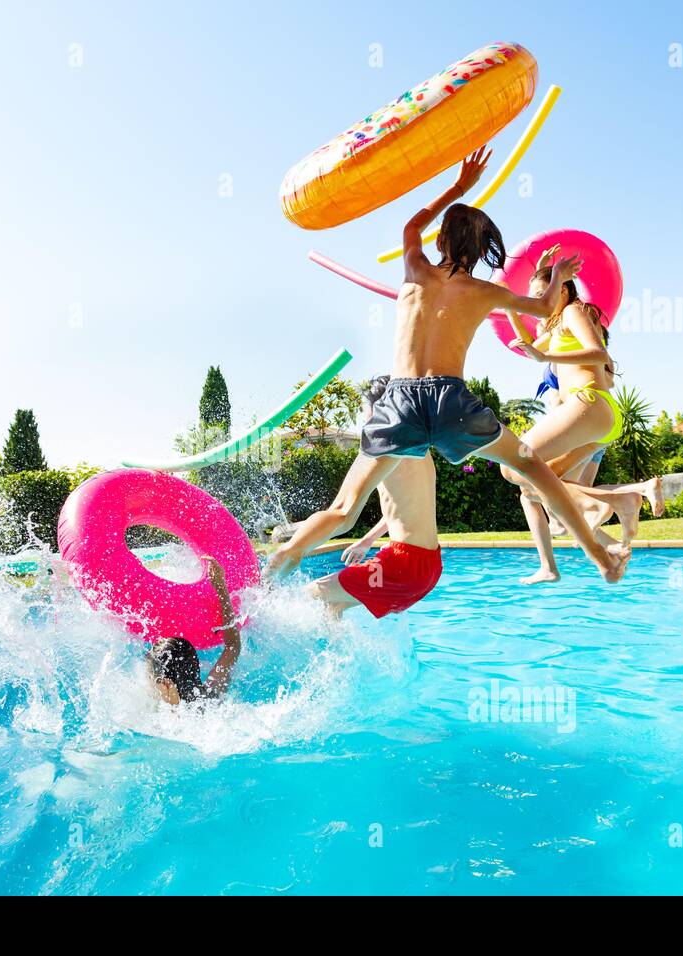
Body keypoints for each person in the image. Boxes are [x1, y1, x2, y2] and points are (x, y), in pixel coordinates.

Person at [265, 146, 629, 584]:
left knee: (344, 511)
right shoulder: (483, 291)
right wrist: (557, 275)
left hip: (398, 400)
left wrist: (459, 187)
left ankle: (283, 557)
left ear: (440, 241)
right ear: (480, 253)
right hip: (449, 400)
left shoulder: (416, 268)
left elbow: (411, 224)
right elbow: (545, 305)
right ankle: (599, 556)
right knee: (530, 465)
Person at [504, 252, 664, 583]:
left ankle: (617, 499)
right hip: (598, 416)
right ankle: (552, 566)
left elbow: (598, 352)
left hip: (586, 403)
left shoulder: (574, 311)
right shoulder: (555, 324)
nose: (538, 304)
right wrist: (508, 305)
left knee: (512, 465)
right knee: (536, 487)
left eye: (542, 296)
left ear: (563, 290)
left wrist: (544, 355)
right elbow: (531, 342)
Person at [307, 376, 442, 618]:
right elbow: (398, 510)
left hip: (403, 566)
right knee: (334, 606)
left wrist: (295, 545)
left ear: (380, 410)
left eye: (363, 412)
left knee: (310, 593)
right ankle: (337, 655)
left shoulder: (385, 447)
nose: (363, 420)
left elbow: (343, 513)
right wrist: (368, 540)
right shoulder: (420, 447)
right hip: (429, 567)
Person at [145, 556, 241, 705]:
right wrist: (221, 589)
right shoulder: (211, 695)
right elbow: (232, 646)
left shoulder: (160, 719)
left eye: (149, 674)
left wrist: (173, 708)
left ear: (163, 683)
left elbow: (233, 647)